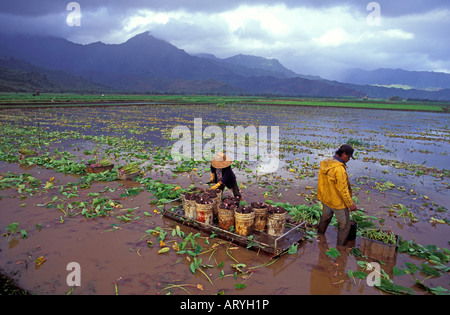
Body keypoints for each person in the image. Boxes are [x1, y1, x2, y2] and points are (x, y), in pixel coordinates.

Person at [317, 144, 357, 246]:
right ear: (343, 154)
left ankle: (319, 236)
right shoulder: (339, 169)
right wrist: (350, 204)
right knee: (344, 226)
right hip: (338, 202)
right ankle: (340, 247)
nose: (348, 159)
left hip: (327, 199)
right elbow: (343, 190)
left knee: (325, 219)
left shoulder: (327, 162)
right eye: (348, 157)